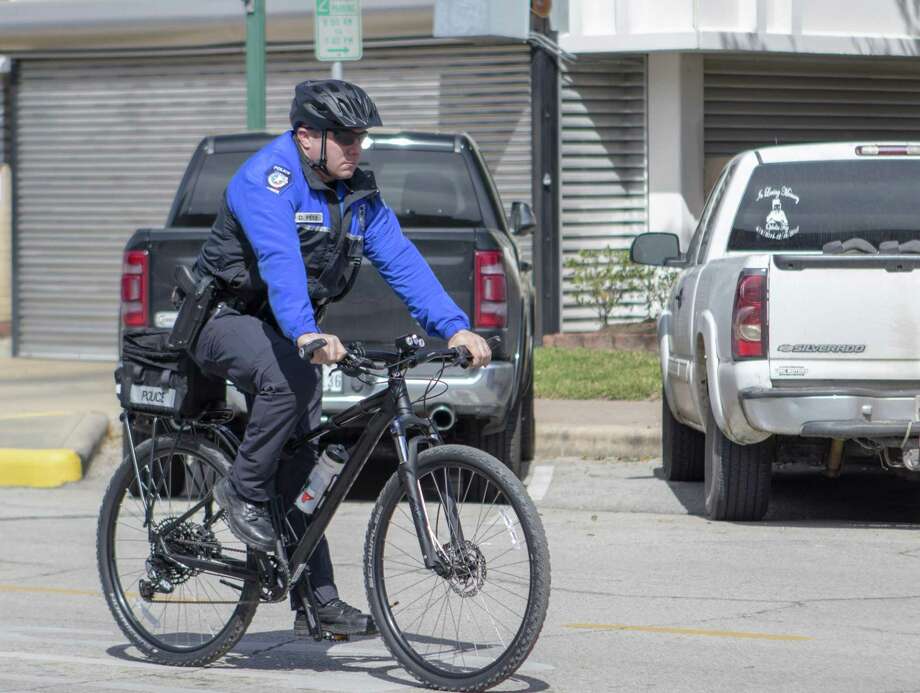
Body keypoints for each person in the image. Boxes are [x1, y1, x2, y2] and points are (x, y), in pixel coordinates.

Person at [190, 79, 491, 636]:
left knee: (306, 465)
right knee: (297, 384)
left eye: (361, 138)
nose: (357, 147)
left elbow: (401, 260)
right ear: (307, 137)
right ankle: (241, 491)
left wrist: (454, 327)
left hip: (284, 331)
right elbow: (280, 262)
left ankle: (318, 600)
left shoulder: (354, 192)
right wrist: (307, 335)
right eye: (346, 137)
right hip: (224, 319)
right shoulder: (266, 178)